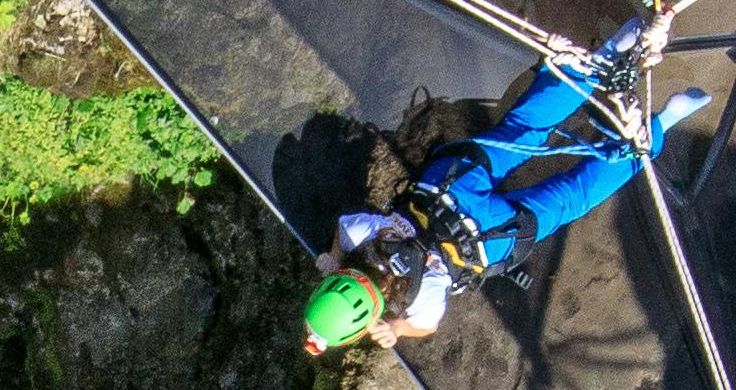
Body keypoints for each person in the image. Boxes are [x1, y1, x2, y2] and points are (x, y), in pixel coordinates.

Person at [300, 27, 709, 348]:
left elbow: (427, 326)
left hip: (485, 239)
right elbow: (342, 226)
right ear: (339, 278)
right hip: (445, 186)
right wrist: (334, 257)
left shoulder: (417, 301)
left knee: (572, 196)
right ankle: (604, 58)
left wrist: (396, 329)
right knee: (522, 130)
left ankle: (660, 125)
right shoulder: (359, 235)